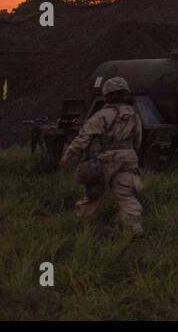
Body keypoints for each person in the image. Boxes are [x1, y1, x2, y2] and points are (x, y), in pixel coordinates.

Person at [59, 76, 144, 236]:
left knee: (94, 192)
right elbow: (138, 138)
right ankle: (134, 228)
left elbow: (84, 138)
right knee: (126, 193)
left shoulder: (103, 115)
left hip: (106, 158)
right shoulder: (133, 114)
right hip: (129, 157)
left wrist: (67, 156)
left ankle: (84, 226)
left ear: (107, 94)